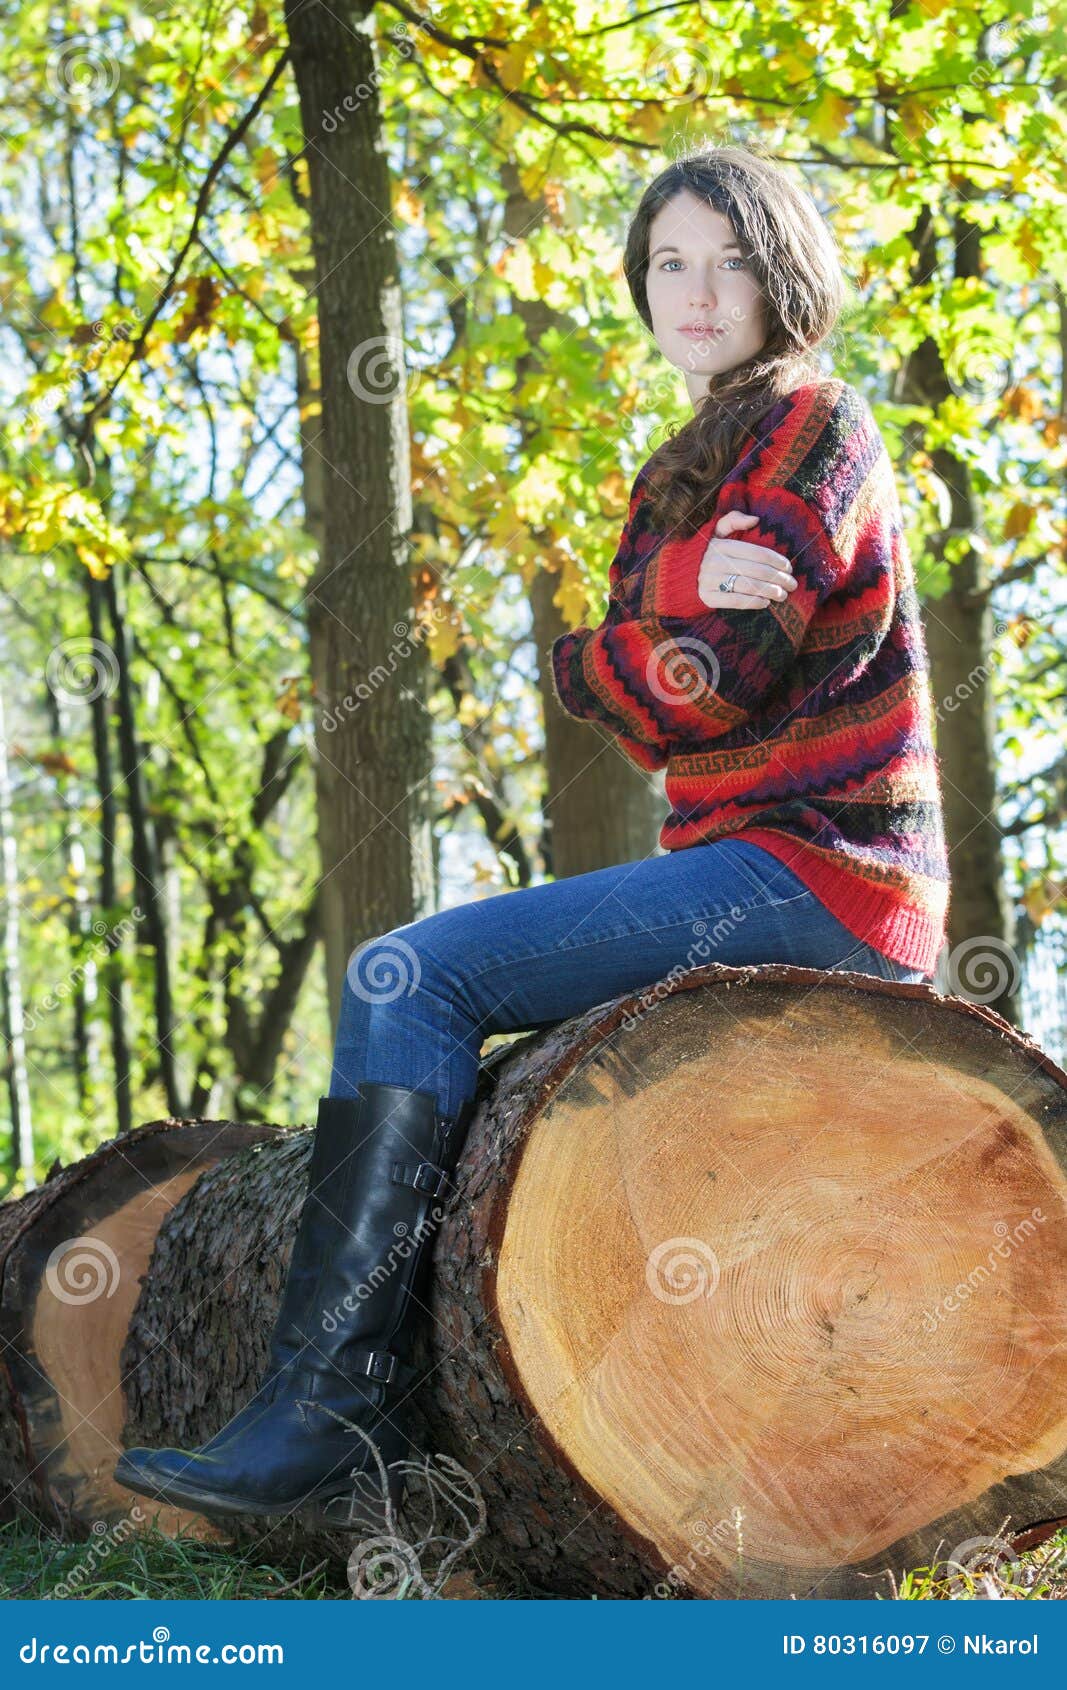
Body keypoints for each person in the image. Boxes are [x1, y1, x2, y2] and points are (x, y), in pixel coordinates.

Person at [113, 142, 950, 1529]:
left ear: (782, 268)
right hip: (747, 869)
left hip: (824, 869)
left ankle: (325, 1409)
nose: (694, 291)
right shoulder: (691, 465)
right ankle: (393, 1403)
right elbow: (643, 682)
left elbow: (708, 674)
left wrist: (618, 639)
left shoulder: (817, 423)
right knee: (451, 1009)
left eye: (729, 259)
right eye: (667, 262)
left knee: (409, 973)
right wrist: (646, 611)